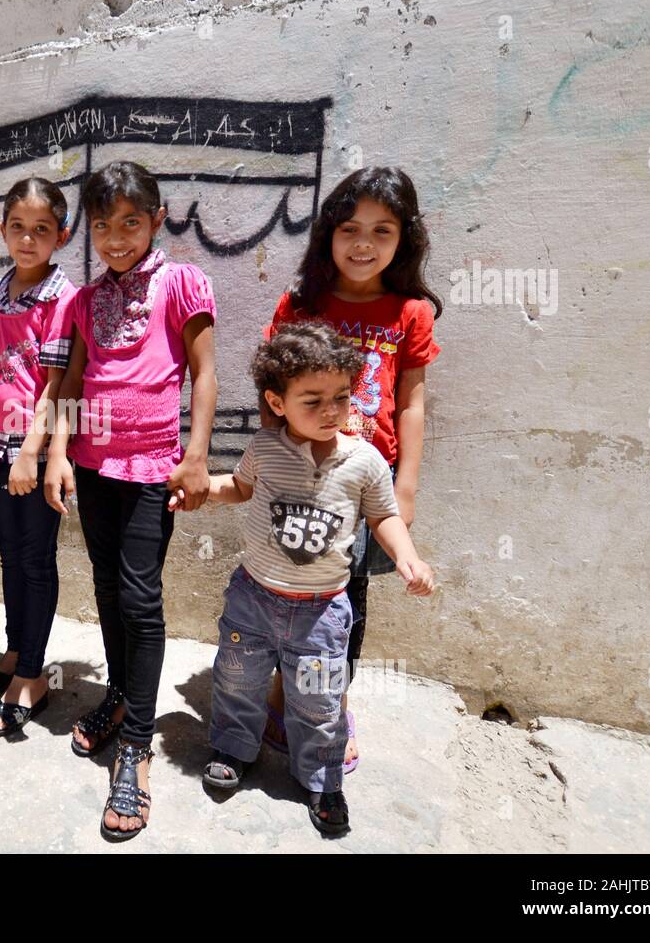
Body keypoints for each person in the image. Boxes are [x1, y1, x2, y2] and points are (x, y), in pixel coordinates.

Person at [201, 323, 435, 836]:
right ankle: (233, 748)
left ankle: (323, 779)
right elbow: (239, 488)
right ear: (277, 402)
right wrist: (204, 488)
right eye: (313, 400)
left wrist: (407, 557)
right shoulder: (264, 447)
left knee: (319, 699)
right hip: (253, 597)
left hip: (322, 611)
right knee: (238, 679)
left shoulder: (366, 461)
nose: (331, 411)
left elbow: (384, 518)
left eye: (341, 398)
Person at [44, 161, 217, 839]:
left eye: (130, 223)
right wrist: (58, 453)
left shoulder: (182, 283)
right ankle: (119, 696)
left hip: (151, 468)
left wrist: (196, 456)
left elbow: (204, 373)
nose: (116, 239)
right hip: (92, 464)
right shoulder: (85, 301)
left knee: (141, 597)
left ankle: (137, 747)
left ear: (156, 220)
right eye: (103, 227)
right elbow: (72, 385)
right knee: (109, 588)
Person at [260, 166, 442, 773]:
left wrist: (405, 487)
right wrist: (267, 465)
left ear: (403, 239)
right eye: (350, 228)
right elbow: (270, 388)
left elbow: (412, 403)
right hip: (297, 479)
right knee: (288, 591)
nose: (363, 243)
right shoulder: (302, 304)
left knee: (345, 601)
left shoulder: (410, 312)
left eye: (382, 230)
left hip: (363, 486)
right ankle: (285, 694)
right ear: (328, 234)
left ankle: (332, 700)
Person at [0, 177, 77, 737]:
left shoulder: (62, 296)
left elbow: (56, 383)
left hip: (33, 452)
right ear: (2, 230)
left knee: (35, 560)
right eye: (18, 228)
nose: (28, 239)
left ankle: (33, 673)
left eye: (42, 230)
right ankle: (13, 651)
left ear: (61, 235)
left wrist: (32, 452)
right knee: (8, 556)